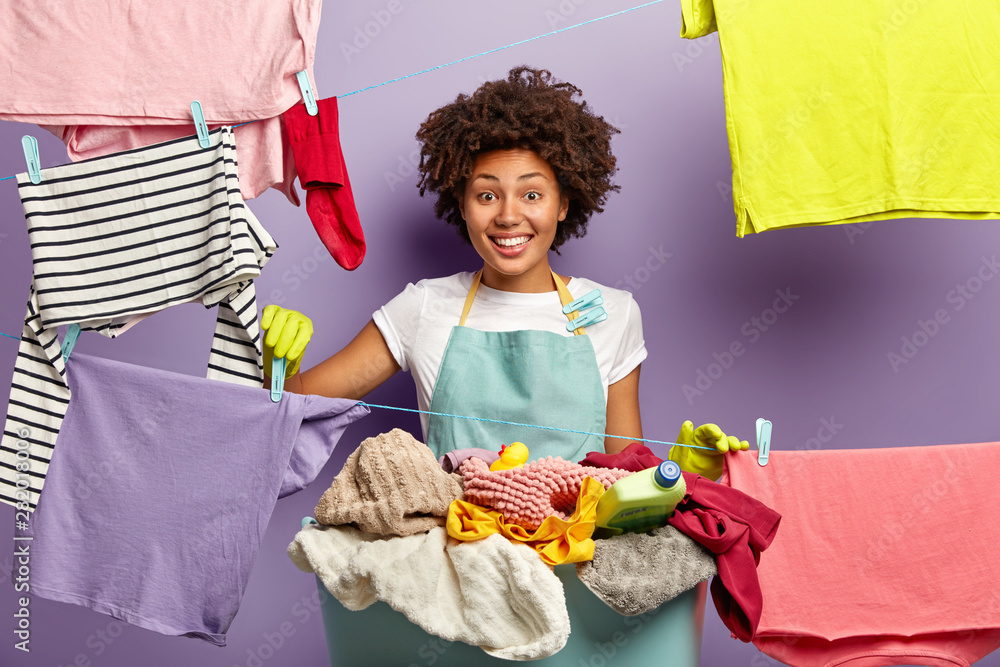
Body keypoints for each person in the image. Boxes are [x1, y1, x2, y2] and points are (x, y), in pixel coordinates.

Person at [262, 66, 747, 477]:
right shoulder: (424, 307)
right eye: (487, 194)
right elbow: (282, 416)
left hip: (572, 572)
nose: (509, 216)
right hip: (451, 565)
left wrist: (678, 475)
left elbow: (622, 478)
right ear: (463, 204)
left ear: (564, 204)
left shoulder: (612, 313)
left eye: (532, 194)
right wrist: (277, 363)